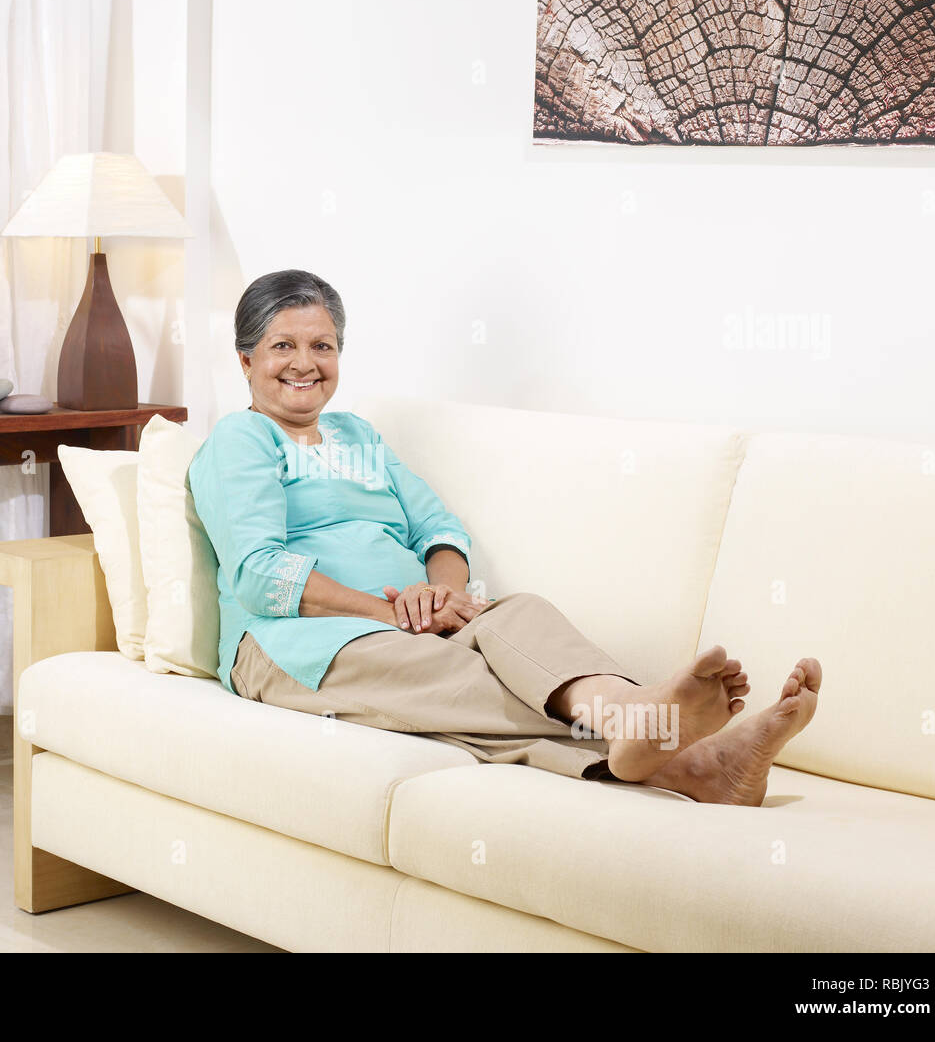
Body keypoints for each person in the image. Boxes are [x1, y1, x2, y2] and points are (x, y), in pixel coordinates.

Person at [186, 269, 822, 805]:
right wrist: (392, 612)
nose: (305, 364)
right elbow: (260, 572)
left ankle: (687, 761)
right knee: (452, 676)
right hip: (294, 643)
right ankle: (690, 748)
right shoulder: (240, 440)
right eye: (283, 347)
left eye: (322, 346)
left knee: (523, 614)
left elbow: (438, 528)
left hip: (413, 618)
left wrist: (441, 596)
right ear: (246, 360)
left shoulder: (358, 436)